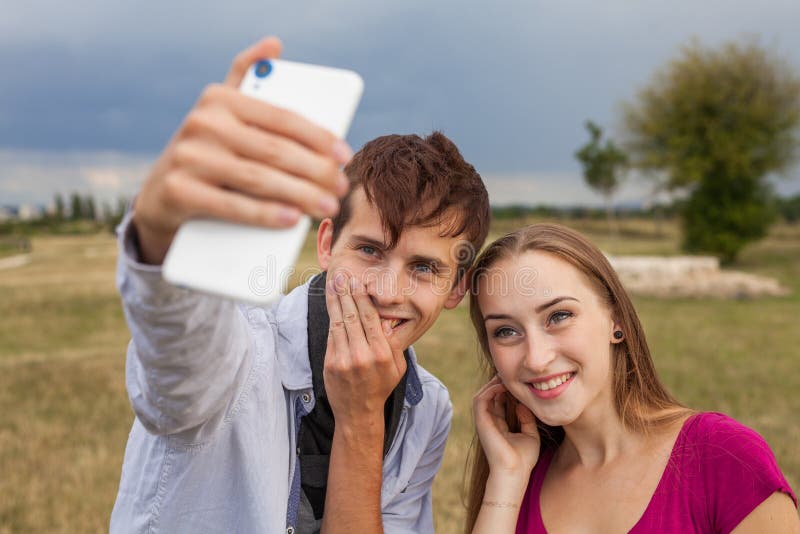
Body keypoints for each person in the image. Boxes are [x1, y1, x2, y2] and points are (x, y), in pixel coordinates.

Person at [110, 36, 490, 533]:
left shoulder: (427, 410)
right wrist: (161, 234)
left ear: (457, 289)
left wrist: (362, 418)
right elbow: (178, 364)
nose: (388, 291)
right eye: (370, 250)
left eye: (424, 268)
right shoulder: (242, 352)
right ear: (327, 243)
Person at [465, 223, 799, 533]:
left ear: (617, 320)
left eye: (559, 316)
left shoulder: (724, 457)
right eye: (506, 331)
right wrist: (507, 480)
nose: (537, 359)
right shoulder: (518, 483)